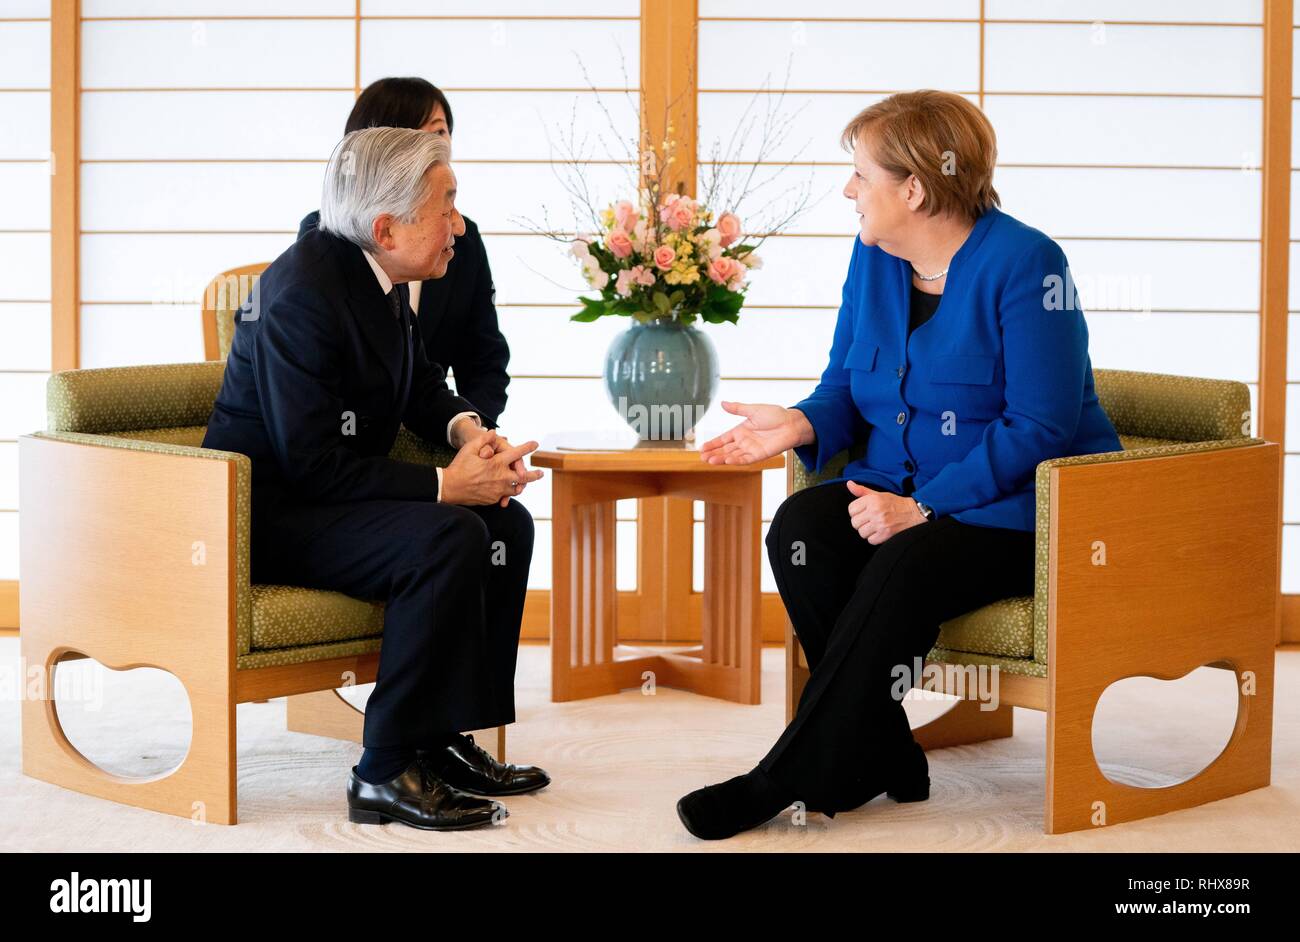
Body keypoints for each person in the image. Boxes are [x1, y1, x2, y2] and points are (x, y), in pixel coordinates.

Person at [675, 90, 1123, 840]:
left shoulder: (1027, 263)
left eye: (860, 174)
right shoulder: (874, 256)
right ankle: (887, 750)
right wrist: (799, 423)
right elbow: (847, 382)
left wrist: (924, 507)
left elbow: (1040, 426)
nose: (848, 191)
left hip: (1018, 513)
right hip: (900, 492)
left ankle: (790, 777)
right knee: (803, 528)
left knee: (905, 562)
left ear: (914, 188)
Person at [203, 126, 549, 832]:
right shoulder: (299, 292)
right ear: (387, 227)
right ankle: (384, 770)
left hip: (330, 497)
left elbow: (422, 385)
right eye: (447, 206)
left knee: (503, 525)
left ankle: (443, 737)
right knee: (450, 532)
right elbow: (311, 464)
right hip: (272, 515)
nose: (460, 225)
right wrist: (447, 489)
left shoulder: (382, 275)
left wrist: (472, 439)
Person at [298, 77, 510, 423]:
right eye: (415, 134)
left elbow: (482, 360)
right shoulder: (327, 236)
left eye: (440, 133)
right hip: (354, 431)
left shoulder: (463, 237)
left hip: (436, 422)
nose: (431, 146)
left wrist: (473, 431)